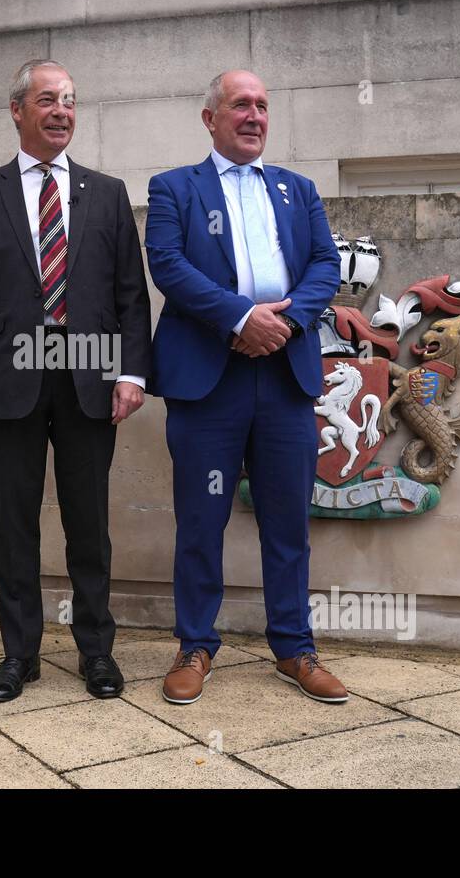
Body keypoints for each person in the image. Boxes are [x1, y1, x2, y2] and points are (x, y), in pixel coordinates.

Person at [0, 60, 152, 703]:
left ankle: (96, 652)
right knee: (15, 525)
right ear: (18, 110)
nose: (61, 111)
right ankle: (19, 654)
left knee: (89, 524)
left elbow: (130, 297)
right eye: (47, 100)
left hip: (88, 377)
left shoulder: (108, 192)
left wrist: (131, 372)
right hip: (11, 383)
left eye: (69, 100)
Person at [144, 70, 347, 706]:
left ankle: (294, 648)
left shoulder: (298, 189)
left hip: (285, 378)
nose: (254, 116)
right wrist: (240, 317)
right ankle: (196, 645)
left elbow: (325, 264)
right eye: (240, 105)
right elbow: (168, 266)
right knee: (201, 521)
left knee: (288, 520)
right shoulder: (174, 188)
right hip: (210, 381)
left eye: (262, 106)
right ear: (211, 118)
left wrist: (282, 322)